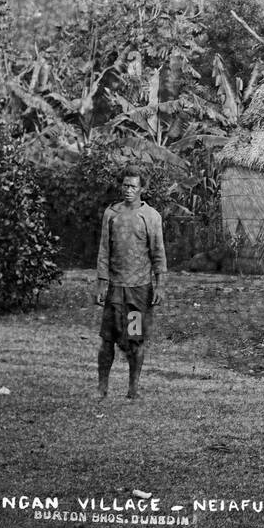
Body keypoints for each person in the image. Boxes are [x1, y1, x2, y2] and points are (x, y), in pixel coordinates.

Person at [95, 166, 167, 400]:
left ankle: (133, 388)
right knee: (107, 340)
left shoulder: (151, 216)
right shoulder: (111, 213)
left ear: (142, 189)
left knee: (135, 340)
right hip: (115, 289)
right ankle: (102, 388)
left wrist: (160, 285)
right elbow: (104, 250)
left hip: (138, 291)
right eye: (125, 185)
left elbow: (158, 253)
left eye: (133, 186)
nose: (128, 190)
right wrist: (101, 284)